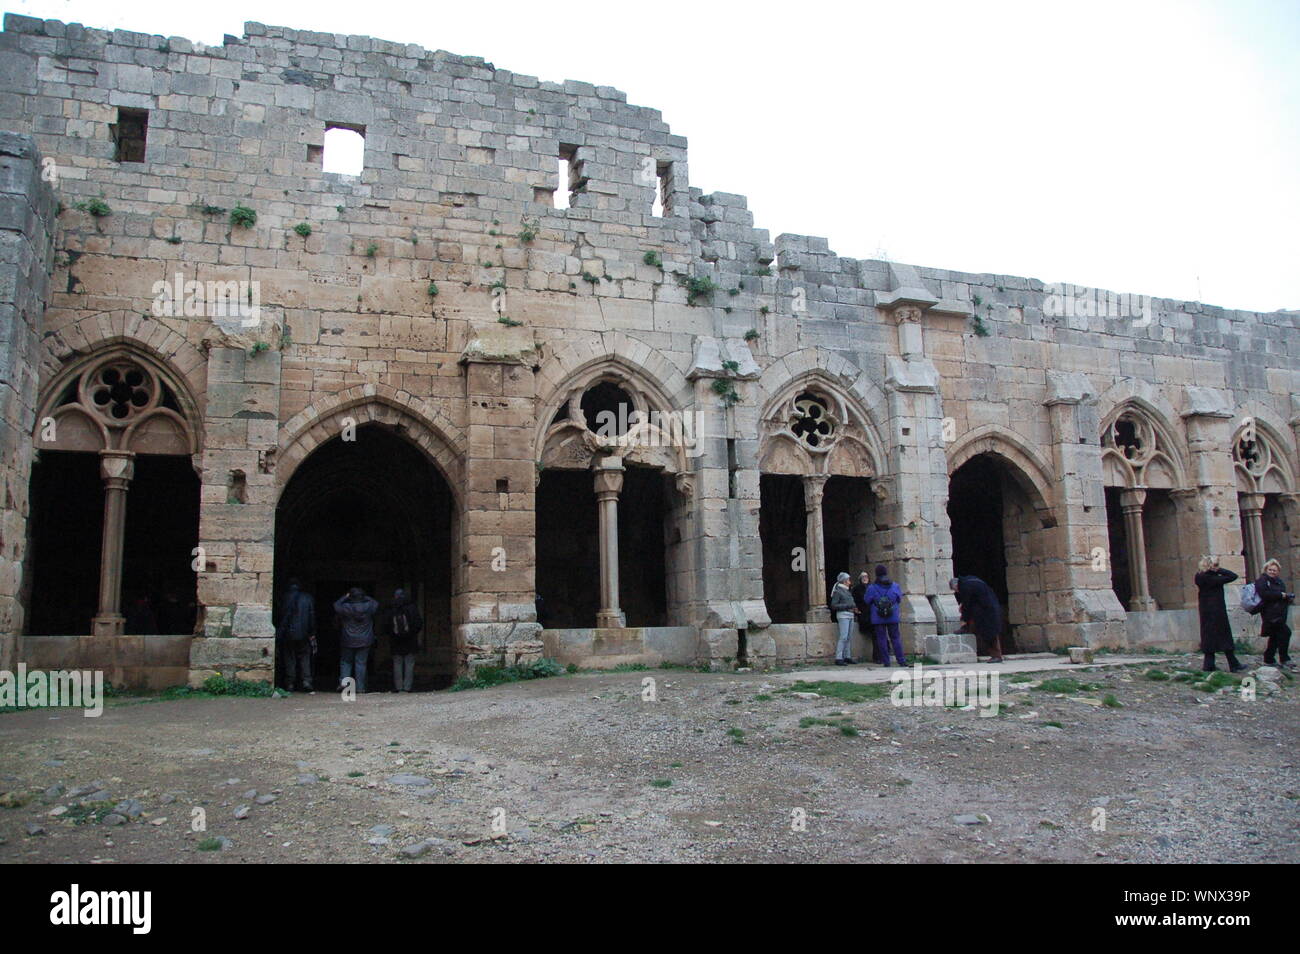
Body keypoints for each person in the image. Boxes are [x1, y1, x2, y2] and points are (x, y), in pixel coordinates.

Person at [1194, 556, 1245, 673]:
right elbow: (1233, 576)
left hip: (1205, 610)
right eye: (1215, 564)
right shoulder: (1212, 578)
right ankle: (1233, 664)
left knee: (1208, 636)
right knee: (1224, 636)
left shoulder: (1199, 576)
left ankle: (1209, 665)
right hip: (1217, 610)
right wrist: (1220, 570)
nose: (1217, 567)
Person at [334, 587, 380, 692]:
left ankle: (345, 683)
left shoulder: (345, 607)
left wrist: (345, 597)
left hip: (348, 639)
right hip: (365, 640)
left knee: (346, 662)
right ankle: (360, 688)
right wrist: (365, 596)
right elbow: (376, 603)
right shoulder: (369, 607)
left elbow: (336, 605)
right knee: (361, 664)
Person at [950, 576, 1003, 662]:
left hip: (986, 610)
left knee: (990, 633)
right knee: (987, 632)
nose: (957, 592)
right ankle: (994, 655)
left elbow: (967, 605)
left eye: (955, 590)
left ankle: (996, 656)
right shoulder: (969, 581)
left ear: (955, 586)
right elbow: (970, 599)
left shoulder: (964, 586)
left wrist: (964, 619)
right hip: (989, 607)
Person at [276, 578, 317, 692]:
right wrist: (312, 632)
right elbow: (311, 616)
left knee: (290, 657)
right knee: (305, 656)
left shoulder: (284, 597)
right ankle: (306, 681)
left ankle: (290, 683)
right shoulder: (307, 598)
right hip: (304, 632)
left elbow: (280, 615)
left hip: (288, 633)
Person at [1255, 559, 1295, 671]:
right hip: (1270, 613)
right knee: (1285, 632)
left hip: (1279, 612)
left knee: (1275, 636)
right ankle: (1284, 658)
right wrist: (1280, 595)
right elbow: (1264, 594)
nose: (1272, 572)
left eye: (1275, 570)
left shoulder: (1278, 581)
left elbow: (1281, 594)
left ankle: (1269, 658)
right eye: (1270, 570)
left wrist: (1287, 597)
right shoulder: (1262, 580)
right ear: (1266, 570)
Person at [865, 564, 906, 667]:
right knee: (895, 638)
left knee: (881, 639)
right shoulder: (895, 586)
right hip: (892, 615)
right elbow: (899, 599)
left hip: (878, 617)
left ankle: (886, 661)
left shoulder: (872, 587)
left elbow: (867, 600)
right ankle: (901, 660)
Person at [384, 588, 424, 692]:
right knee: (409, 663)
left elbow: (386, 625)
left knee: (397, 663)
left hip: (395, 641)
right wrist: (412, 633)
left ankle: (398, 686)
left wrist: (392, 635)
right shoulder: (412, 608)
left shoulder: (391, 608)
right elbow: (418, 624)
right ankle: (407, 687)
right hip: (410, 640)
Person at [851, 571, 881, 664]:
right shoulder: (856, 589)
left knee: (877, 635)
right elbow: (856, 601)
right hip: (864, 615)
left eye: (866, 577)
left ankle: (878, 657)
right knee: (875, 635)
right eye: (863, 577)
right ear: (860, 579)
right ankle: (878, 657)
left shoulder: (872, 587)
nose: (865, 578)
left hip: (873, 615)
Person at [829, 571, 857, 666]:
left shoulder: (847, 590)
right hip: (843, 615)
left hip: (850, 614)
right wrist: (848, 605)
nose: (850, 581)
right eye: (848, 580)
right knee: (843, 637)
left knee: (849, 637)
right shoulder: (838, 591)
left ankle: (847, 656)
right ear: (844, 581)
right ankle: (839, 657)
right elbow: (834, 605)